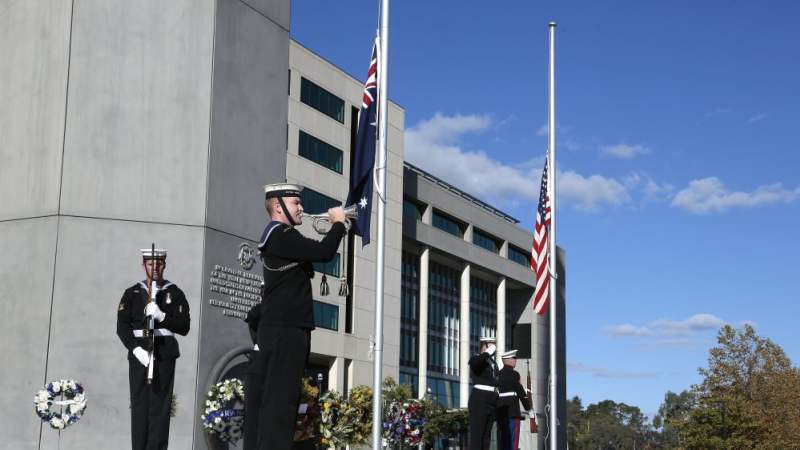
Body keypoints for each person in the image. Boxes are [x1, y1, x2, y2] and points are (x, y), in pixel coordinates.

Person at [244, 183, 346, 450]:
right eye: (295, 203)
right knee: (280, 406)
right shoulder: (281, 235)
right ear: (278, 207)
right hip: (285, 331)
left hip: (285, 329)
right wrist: (338, 224)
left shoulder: (281, 237)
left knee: (278, 405)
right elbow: (324, 253)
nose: (301, 208)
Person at [116, 248, 190, 450]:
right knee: (139, 407)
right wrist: (135, 350)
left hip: (164, 354)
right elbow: (122, 327)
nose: (154, 268)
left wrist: (162, 316)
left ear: (164, 265)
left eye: (158, 264)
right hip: (140, 355)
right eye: (150, 264)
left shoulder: (174, 292)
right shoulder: (132, 293)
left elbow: (184, 327)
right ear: (143, 265)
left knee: (160, 408)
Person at [495, 350, 532, 450]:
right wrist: (528, 408)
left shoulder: (498, 374)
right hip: (512, 412)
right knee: (512, 441)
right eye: (514, 358)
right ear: (509, 360)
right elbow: (520, 392)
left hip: (500, 412)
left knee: (502, 441)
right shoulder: (514, 374)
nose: (515, 360)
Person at [468, 336, 500, 450]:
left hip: (491, 399)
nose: (494, 348)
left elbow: (496, 380)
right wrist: (487, 353)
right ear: (484, 346)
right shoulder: (476, 359)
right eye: (491, 344)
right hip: (479, 399)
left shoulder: (492, 362)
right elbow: (476, 363)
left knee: (487, 436)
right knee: (477, 435)